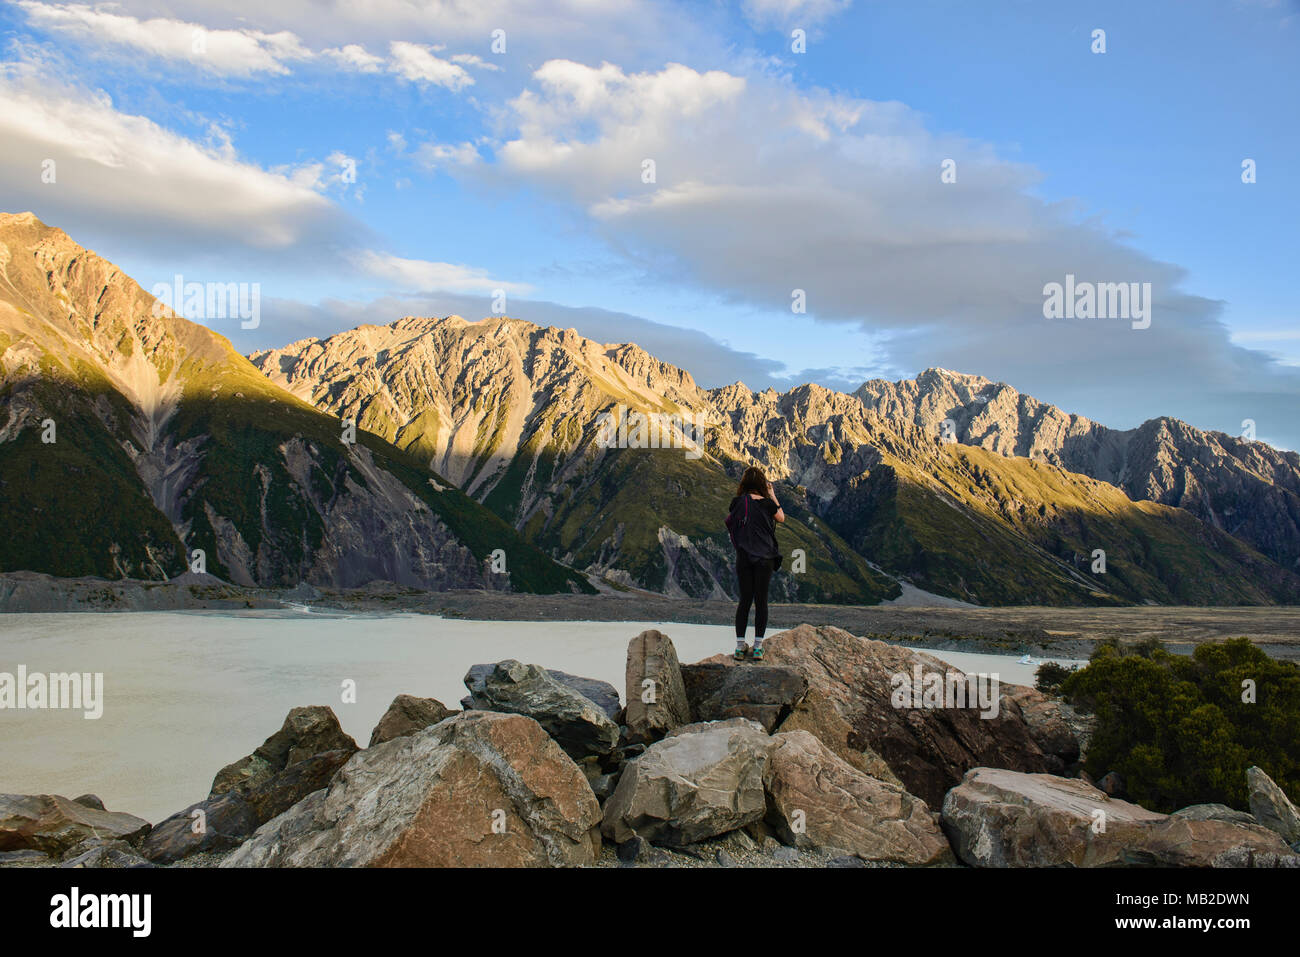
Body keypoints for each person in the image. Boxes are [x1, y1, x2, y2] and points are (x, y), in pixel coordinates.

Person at [727, 466, 784, 661]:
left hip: (744, 557)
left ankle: (739, 646)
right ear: (761, 484)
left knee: (744, 601)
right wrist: (772, 495)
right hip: (765, 558)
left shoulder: (737, 502)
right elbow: (781, 518)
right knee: (761, 601)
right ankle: (758, 647)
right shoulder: (768, 504)